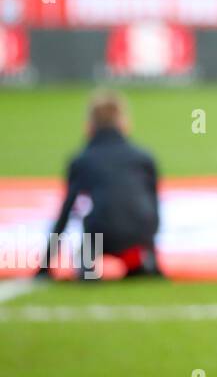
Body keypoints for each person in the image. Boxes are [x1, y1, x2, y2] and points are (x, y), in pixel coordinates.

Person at [36, 90, 163, 280]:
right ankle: (143, 264)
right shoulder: (144, 159)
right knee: (134, 246)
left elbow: (66, 213)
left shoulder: (82, 160)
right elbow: (153, 212)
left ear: (89, 126)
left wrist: (45, 266)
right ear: (124, 124)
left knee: (90, 231)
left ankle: (87, 271)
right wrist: (152, 252)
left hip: (99, 238)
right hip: (137, 241)